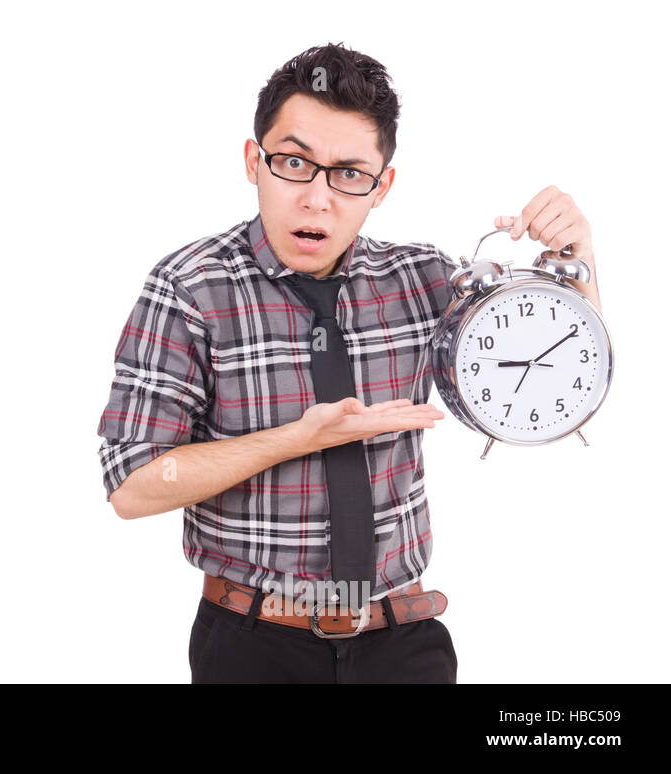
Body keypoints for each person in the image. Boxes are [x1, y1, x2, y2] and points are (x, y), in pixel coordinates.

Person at [95, 43, 600, 683]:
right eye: (293, 163)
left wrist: (579, 261)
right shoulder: (190, 288)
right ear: (255, 162)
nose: (317, 198)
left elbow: (566, 370)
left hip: (404, 643)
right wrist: (296, 439)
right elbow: (133, 485)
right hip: (256, 647)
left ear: (381, 185)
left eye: (348, 173)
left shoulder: (422, 281)